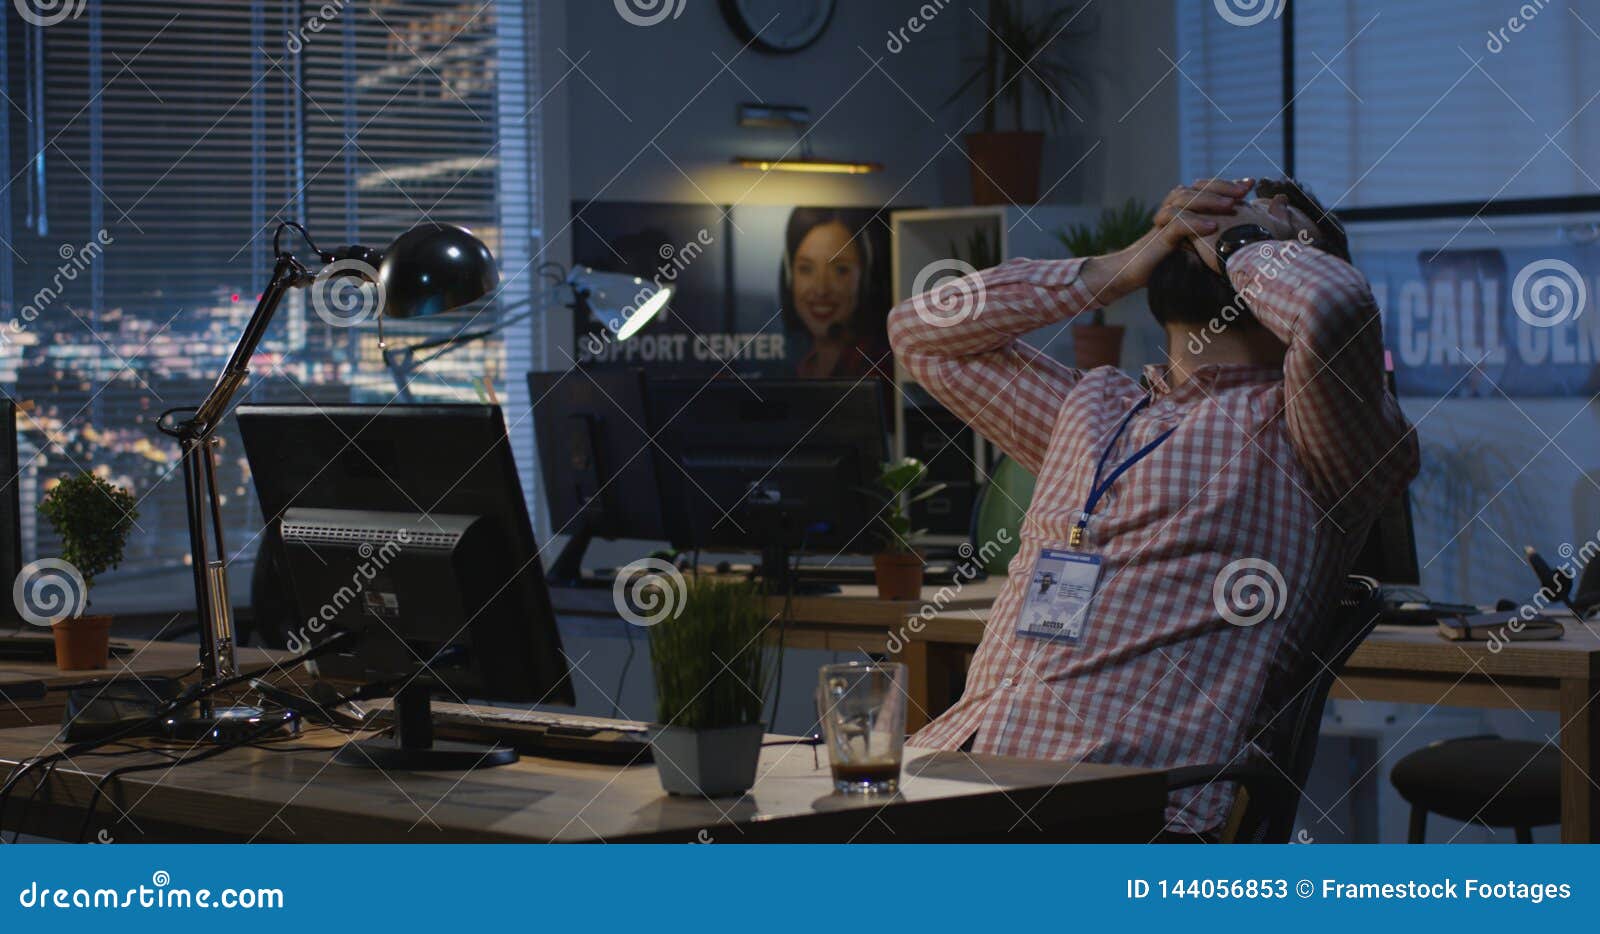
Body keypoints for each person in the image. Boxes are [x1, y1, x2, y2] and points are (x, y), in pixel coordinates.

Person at [888, 177, 1420, 838]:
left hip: (1119, 817)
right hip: (961, 781)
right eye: (1216, 210)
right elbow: (918, 332)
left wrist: (1240, 244)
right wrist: (1120, 266)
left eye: (1272, 219)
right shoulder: (1093, 411)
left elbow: (1336, 307)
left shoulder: (1315, 436)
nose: (1223, 220)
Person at [780, 208, 891, 380]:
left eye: (840, 270)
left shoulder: (881, 369)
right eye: (806, 269)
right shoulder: (801, 367)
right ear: (790, 278)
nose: (821, 290)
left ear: (865, 280)